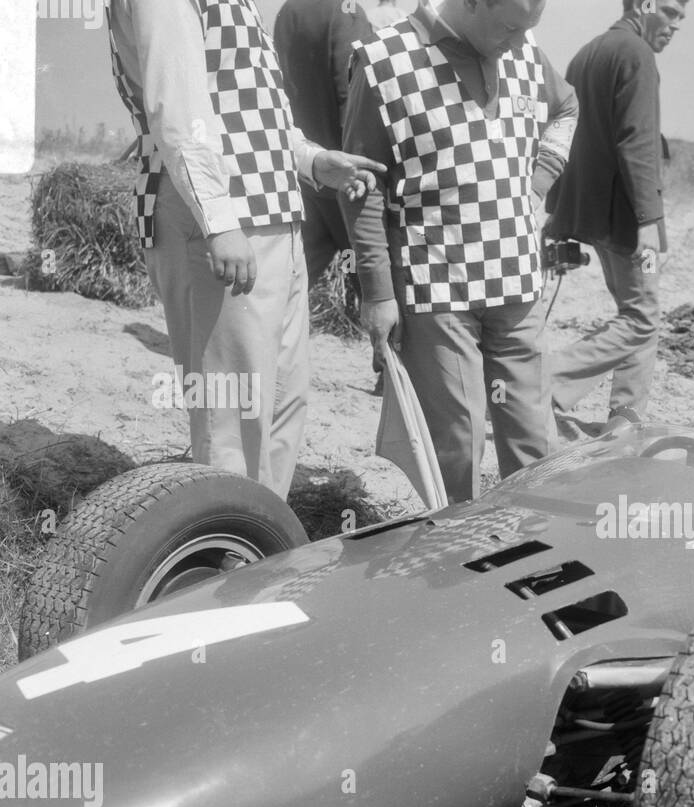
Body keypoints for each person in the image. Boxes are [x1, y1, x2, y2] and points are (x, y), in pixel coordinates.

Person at [107, 0, 385, 498]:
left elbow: (251, 108)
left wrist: (314, 161)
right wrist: (218, 222)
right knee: (231, 414)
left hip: (270, 208)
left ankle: (259, 540)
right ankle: (227, 554)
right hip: (220, 214)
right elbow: (180, 112)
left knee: (280, 399)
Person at [342, 0, 579, 504]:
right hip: (436, 286)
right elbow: (362, 187)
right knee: (456, 440)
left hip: (516, 276)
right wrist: (378, 292)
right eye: (511, 27)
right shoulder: (384, 61)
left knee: (533, 434)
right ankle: (452, 558)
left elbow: (566, 108)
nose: (520, 44)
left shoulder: (525, 48)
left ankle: (533, 543)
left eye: (528, 30)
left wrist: (538, 185)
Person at [545, 0, 689, 441]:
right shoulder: (636, 54)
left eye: (682, 16)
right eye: (669, 11)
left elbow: (564, 130)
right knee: (642, 318)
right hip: (627, 218)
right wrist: (649, 219)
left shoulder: (587, 52)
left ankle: (626, 421)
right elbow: (637, 140)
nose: (676, 24)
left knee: (637, 311)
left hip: (592, 209)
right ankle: (540, 385)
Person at [273, 0, 374, 287]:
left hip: (306, 165)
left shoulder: (288, 11)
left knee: (307, 261)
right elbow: (351, 88)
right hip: (339, 164)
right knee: (356, 260)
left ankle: (278, 322)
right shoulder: (346, 10)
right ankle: (358, 311)